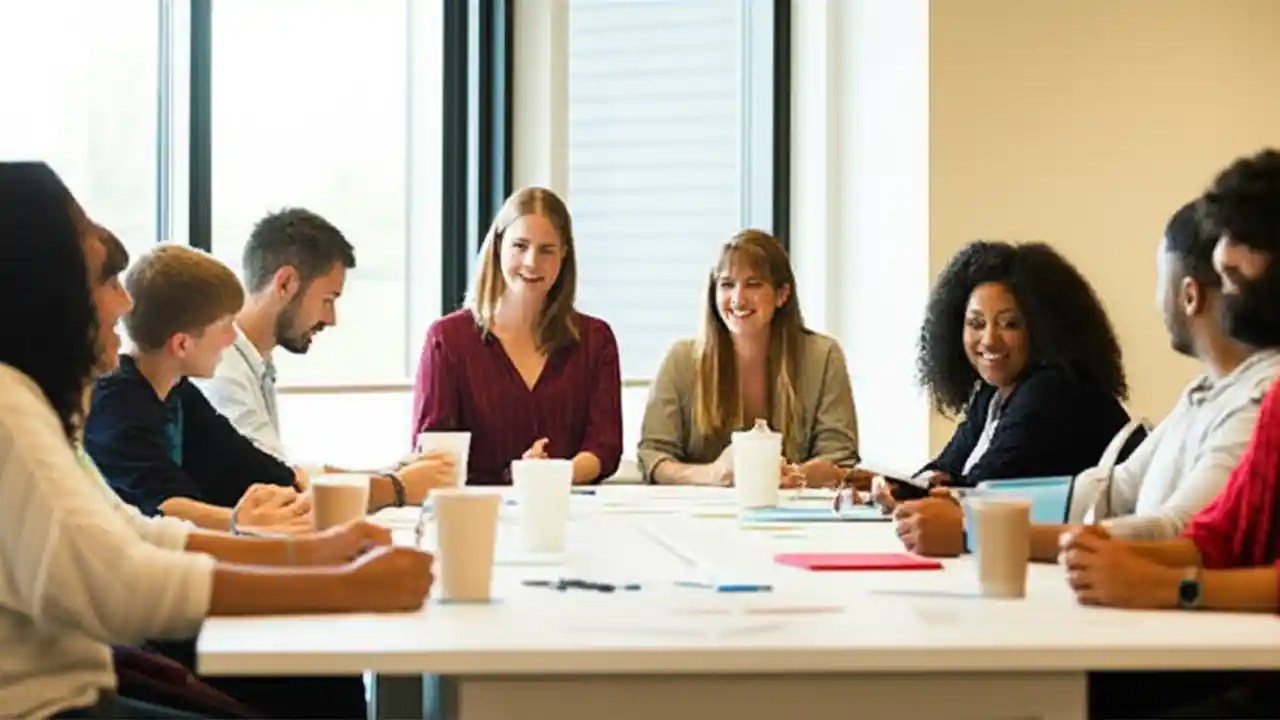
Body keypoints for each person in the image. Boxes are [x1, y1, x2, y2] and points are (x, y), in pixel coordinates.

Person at [0, 161, 432, 719]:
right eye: (105, 281)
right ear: (48, 289)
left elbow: (138, 532)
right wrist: (347, 586)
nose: (125, 305)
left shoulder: (34, 404)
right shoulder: (12, 405)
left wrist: (314, 554)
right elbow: (120, 586)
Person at [896, 201, 1280, 558]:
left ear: (1189, 295)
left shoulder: (1260, 398)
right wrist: (967, 504)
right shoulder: (1205, 390)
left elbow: (1181, 531)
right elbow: (1113, 488)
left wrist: (974, 531)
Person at [1068, 151, 1280, 718]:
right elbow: (1218, 539)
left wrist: (1166, 586)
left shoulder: (1265, 389)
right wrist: (1097, 552)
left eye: (1236, 270)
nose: (1222, 269)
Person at [85, 244, 448, 531]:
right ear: (182, 345)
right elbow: (159, 505)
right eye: (225, 326)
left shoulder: (178, 393)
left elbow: (246, 463)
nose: (232, 338)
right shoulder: (116, 402)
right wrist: (239, 522)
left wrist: (307, 495)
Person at [873, 240, 1133, 510]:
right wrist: (896, 487)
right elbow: (946, 468)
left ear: (1045, 328)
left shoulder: (1052, 390)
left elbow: (980, 493)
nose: (989, 340)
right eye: (976, 324)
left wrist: (926, 491)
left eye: (1010, 324)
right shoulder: (992, 392)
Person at [412, 186, 622, 485]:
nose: (532, 262)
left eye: (546, 250)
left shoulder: (595, 339)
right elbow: (431, 454)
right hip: (478, 513)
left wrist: (552, 476)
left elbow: (605, 446)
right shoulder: (447, 339)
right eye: (520, 246)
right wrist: (521, 477)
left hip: (567, 508)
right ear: (498, 246)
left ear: (564, 255)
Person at [637, 229, 859, 487]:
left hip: (794, 511)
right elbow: (653, 457)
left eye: (754, 284)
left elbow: (840, 457)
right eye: (727, 285)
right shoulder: (681, 360)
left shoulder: (824, 357)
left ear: (782, 294)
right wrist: (713, 474)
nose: (738, 299)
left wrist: (793, 476)